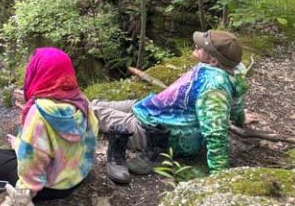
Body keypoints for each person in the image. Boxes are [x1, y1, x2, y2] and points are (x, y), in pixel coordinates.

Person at [91, 30, 247, 185]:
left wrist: (219, 177)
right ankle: (90, 103)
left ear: (213, 60)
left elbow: (216, 133)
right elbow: (237, 104)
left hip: (154, 130)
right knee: (101, 104)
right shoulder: (234, 72)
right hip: (156, 109)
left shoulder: (214, 89)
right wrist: (241, 119)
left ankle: (83, 109)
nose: (196, 46)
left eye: (201, 47)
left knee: (92, 112)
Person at [0, 48, 98, 206]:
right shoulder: (81, 100)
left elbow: (32, 170)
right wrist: (30, 104)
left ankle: (2, 195)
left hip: (50, 186)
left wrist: (17, 199)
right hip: (77, 176)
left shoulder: (39, 113)